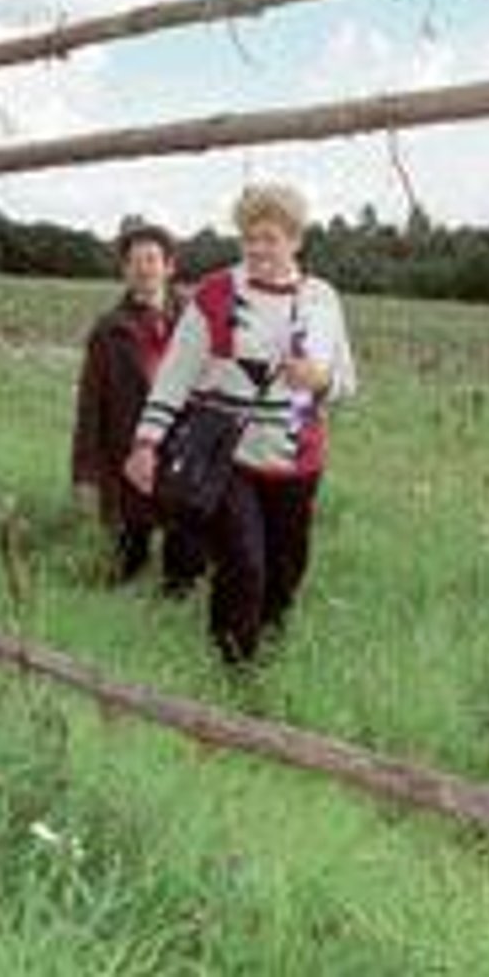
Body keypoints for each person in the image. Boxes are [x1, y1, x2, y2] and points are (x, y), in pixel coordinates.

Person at [124, 183, 357, 665]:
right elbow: (174, 376)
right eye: (249, 238)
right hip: (231, 456)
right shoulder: (216, 294)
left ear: (296, 240)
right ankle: (231, 670)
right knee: (243, 564)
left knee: (284, 572)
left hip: (299, 461)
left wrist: (319, 379)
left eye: (270, 238)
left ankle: (268, 651)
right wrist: (146, 442)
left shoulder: (321, 300)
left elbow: (346, 383)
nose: (257, 249)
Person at [71, 220, 203, 589]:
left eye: (152, 259)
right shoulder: (109, 329)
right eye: (134, 261)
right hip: (128, 449)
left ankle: (173, 603)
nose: (144, 268)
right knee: (131, 550)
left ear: (169, 266)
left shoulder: (196, 319)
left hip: (184, 446)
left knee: (186, 546)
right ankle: (120, 603)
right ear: (124, 270)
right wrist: (85, 472)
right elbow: (90, 403)